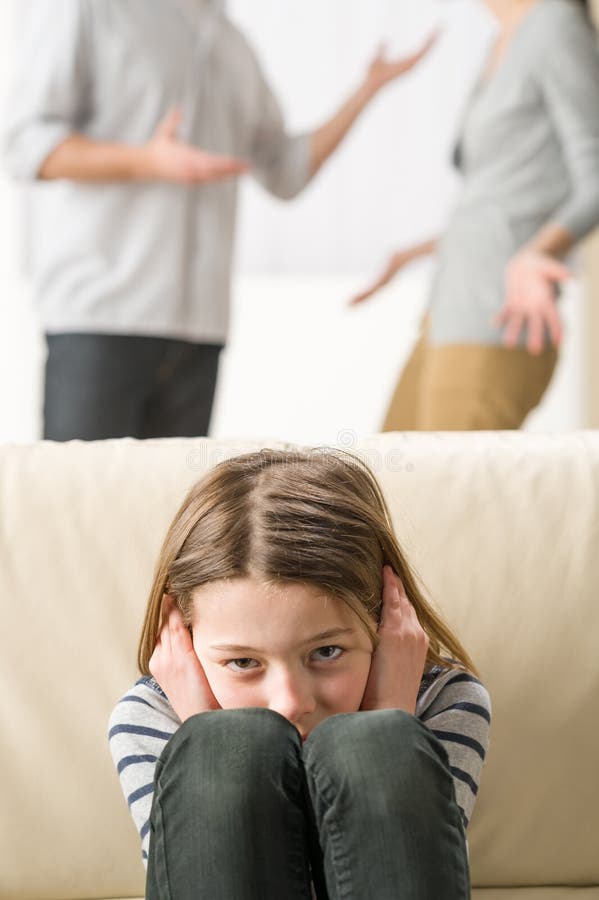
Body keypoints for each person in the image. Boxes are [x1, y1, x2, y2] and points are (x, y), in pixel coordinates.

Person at [3, 0, 434, 442]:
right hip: (101, 318)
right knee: (78, 503)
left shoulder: (232, 45)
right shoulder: (92, 9)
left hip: (200, 332)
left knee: (180, 507)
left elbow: (287, 171)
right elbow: (24, 142)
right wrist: (145, 161)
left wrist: (369, 89)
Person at [108, 448, 491, 899]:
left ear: (382, 625)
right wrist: (205, 729)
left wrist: (390, 718)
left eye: (326, 651)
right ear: (185, 645)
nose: (290, 701)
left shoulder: (446, 702)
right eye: (244, 663)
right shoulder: (152, 716)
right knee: (224, 748)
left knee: (376, 746)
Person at [350, 0, 599, 431]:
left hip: (497, 315)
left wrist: (531, 255)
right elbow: (501, 201)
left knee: (440, 493)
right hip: (447, 310)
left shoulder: (554, 26)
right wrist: (416, 252)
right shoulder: (503, 39)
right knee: (385, 478)